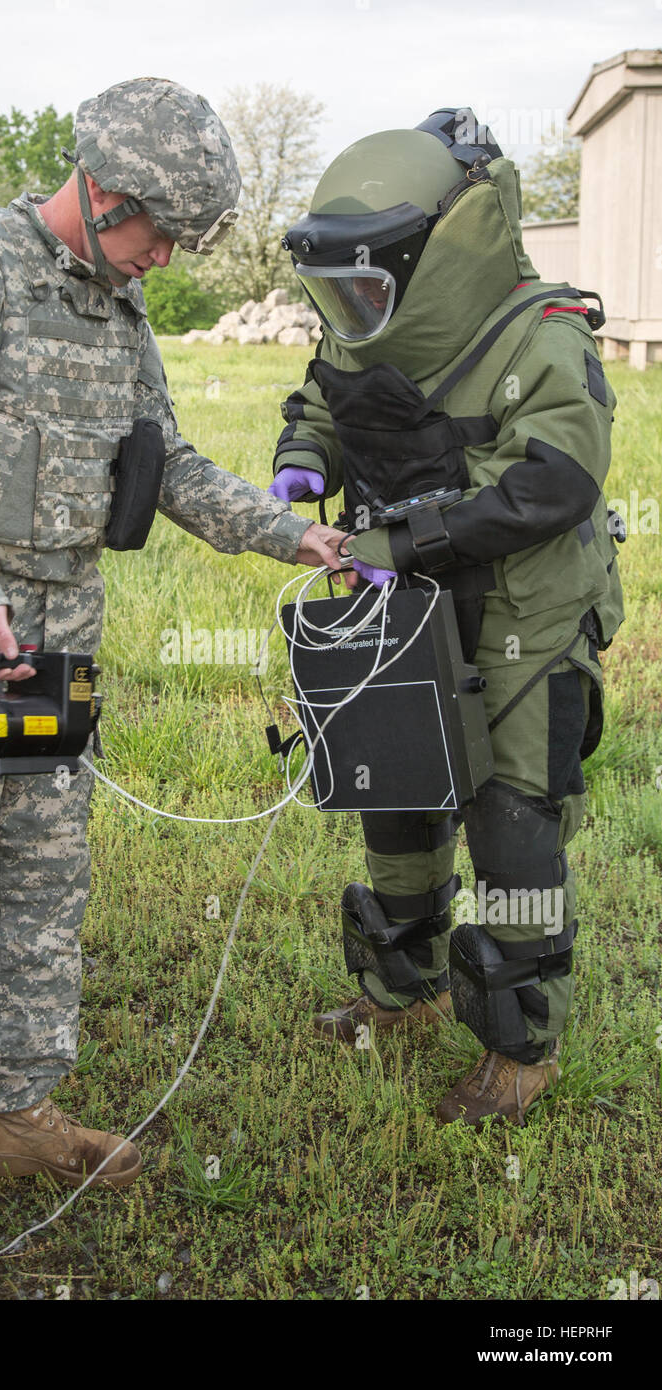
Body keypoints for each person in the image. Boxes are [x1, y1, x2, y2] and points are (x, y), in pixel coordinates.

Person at [0, 76, 348, 1293]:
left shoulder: (119, 308)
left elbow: (167, 463)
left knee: (40, 886)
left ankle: (14, 1110)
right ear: (104, 190)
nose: (167, 258)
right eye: (160, 231)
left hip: (54, 649)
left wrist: (293, 537)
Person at [269, 109, 624, 1128]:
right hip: (397, 607)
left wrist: (409, 540)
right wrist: (305, 461)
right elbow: (324, 400)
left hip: (524, 618)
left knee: (513, 823)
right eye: (339, 288)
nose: (351, 307)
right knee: (394, 793)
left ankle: (521, 1049)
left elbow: (552, 483)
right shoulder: (361, 319)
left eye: (365, 284)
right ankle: (402, 989)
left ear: (439, 251)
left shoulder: (540, 333)